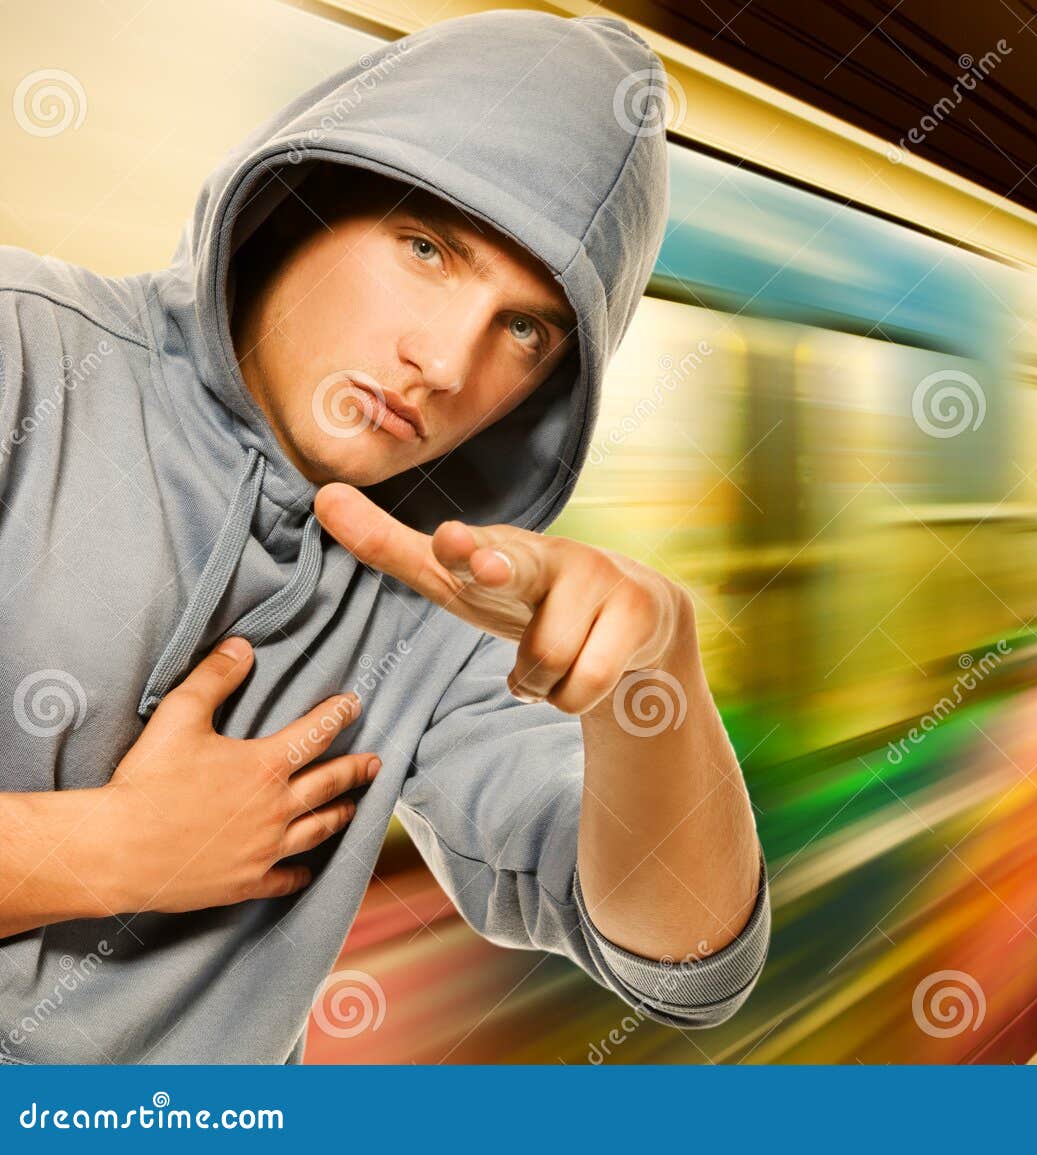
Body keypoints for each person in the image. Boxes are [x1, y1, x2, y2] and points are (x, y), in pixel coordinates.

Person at [0, 10, 768, 1064]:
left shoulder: (449, 607)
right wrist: (103, 853)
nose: (446, 364)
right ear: (307, 195)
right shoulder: (22, 352)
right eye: (427, 250)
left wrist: (658, 688)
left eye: (526, 329)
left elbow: (685, 966)